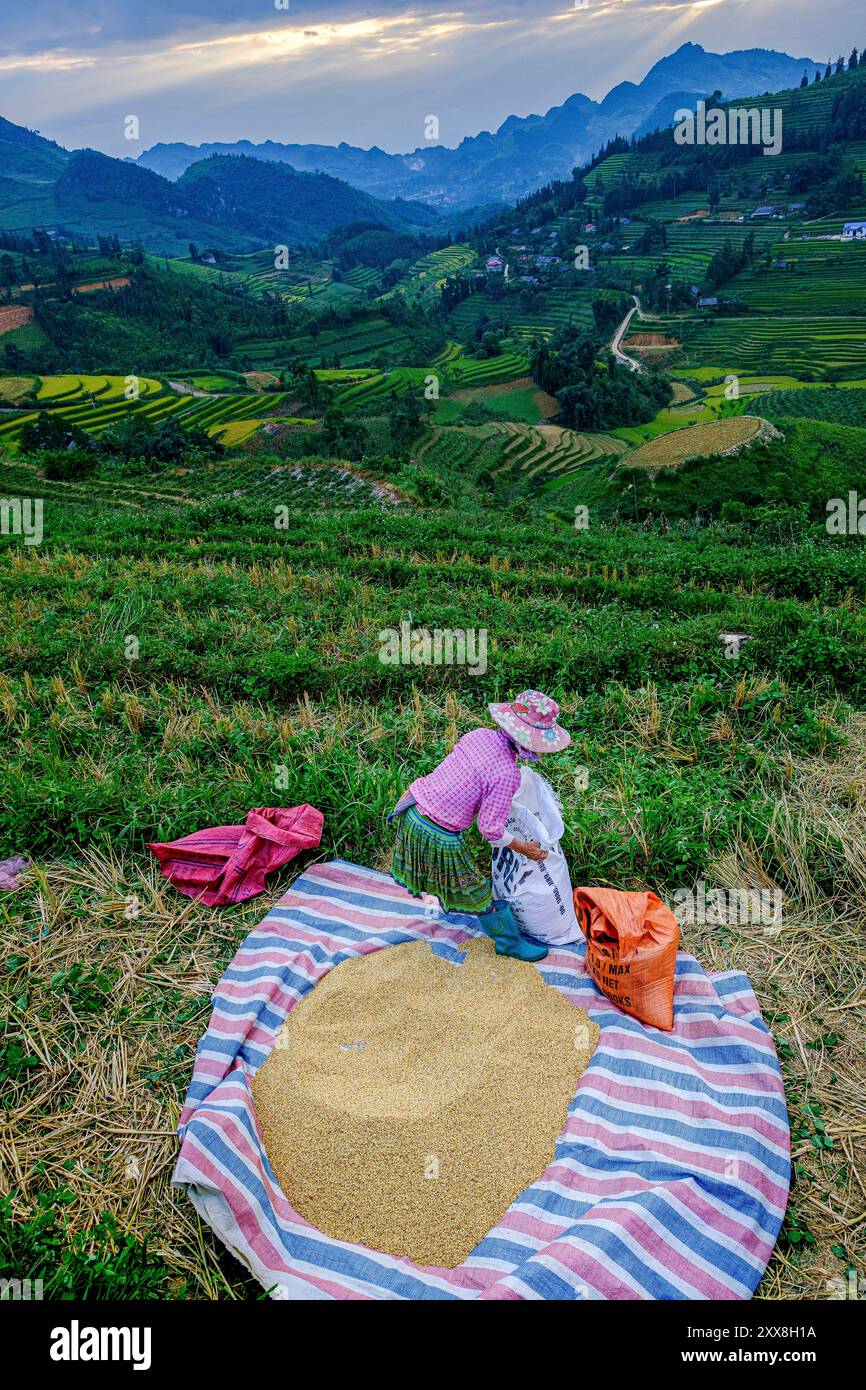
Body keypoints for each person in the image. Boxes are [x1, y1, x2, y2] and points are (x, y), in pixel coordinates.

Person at [389, 690, 570, 961]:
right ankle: (509, 942)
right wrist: (525, 848)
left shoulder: (478, 734)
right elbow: (490, 829)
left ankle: (456, 906)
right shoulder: (508, 774)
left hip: (413, 809)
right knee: (476, 889)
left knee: (450, 880)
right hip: (436, 832)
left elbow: (464, 777)